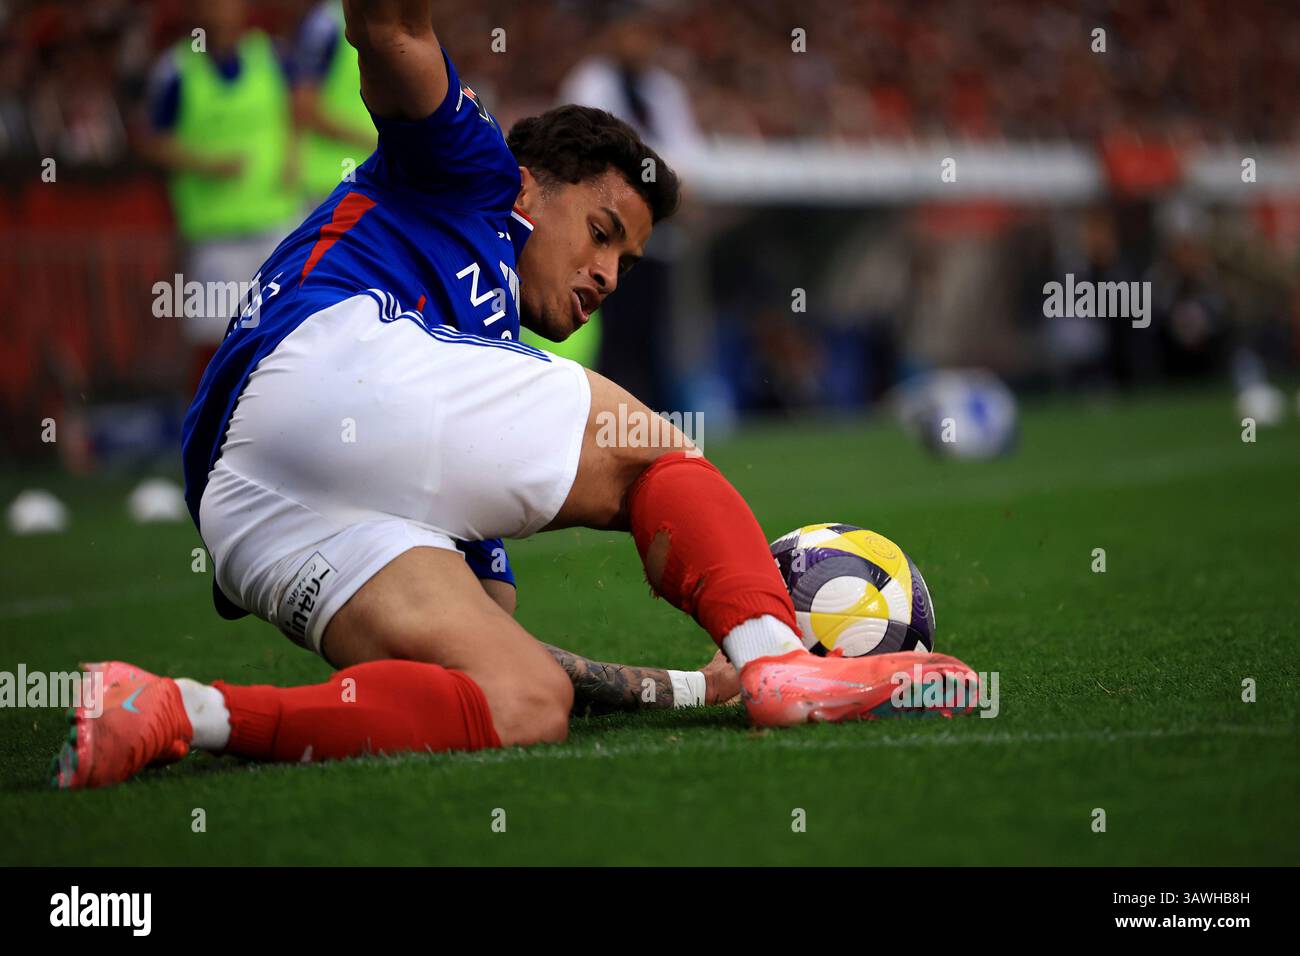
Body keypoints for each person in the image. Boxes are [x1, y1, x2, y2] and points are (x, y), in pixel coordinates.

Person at [54, 0, 976, 790]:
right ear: (532, 183)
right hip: (321, 365)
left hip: (248, 508)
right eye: (603, 232)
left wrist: (691, 686)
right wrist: (754, 659)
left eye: (629, 259)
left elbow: (522, 657)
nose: (610, 274)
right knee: (652, 447)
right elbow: (387, 26)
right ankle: (783, 662)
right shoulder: (476, 173)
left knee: (517, 700)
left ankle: (171, 710)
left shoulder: (469, 385)